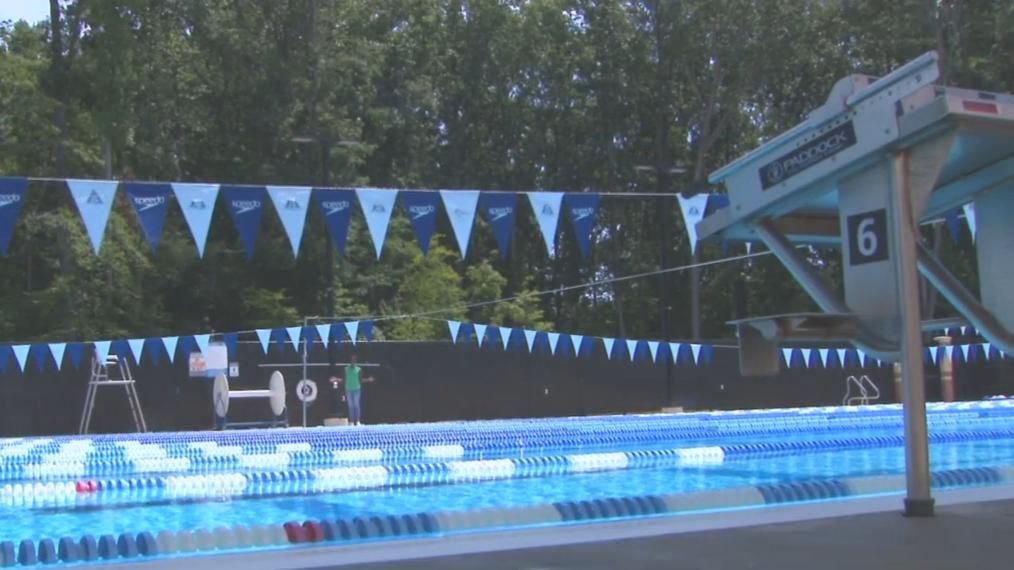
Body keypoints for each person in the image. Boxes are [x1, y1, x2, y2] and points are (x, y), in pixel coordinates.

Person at [329, 353, 373, 426]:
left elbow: (360, 380)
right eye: (352, 360)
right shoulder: (346, 369)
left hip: (357, 389)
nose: (353, 361)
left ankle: (358, 421)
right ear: (350, 361)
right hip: (348, 389)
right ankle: (351, 421)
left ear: (356, 361)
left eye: (354, 360)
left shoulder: (359, 369)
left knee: (356, 405)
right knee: (350, 406)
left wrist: (368, 379)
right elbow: (344, 379)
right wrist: (336, 379)